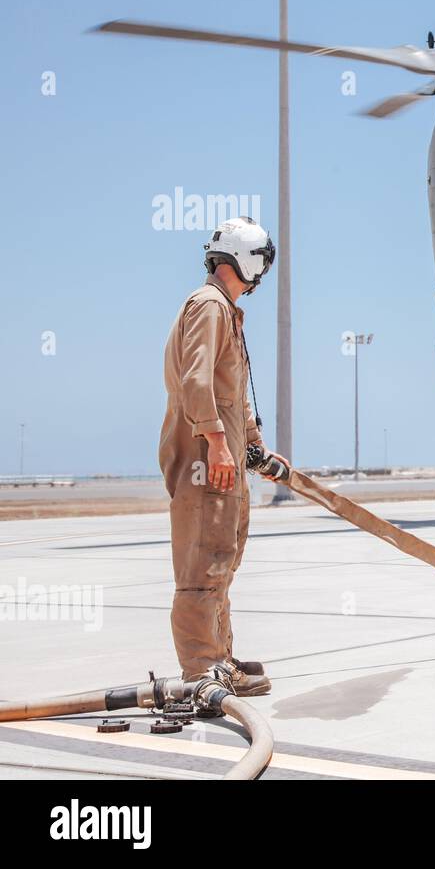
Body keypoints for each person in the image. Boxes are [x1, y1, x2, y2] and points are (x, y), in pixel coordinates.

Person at [160, 217, 282, 694]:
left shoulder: (225, 311)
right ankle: (199, 671)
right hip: (204, 461)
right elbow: (196, 383)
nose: (261, 280)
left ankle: (220, 659)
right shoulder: (209, 307)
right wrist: (215, 442)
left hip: (223, 459)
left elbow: (232, 395)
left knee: (222, 559)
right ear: (248, 261)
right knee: (203, 562)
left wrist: (252, 444)